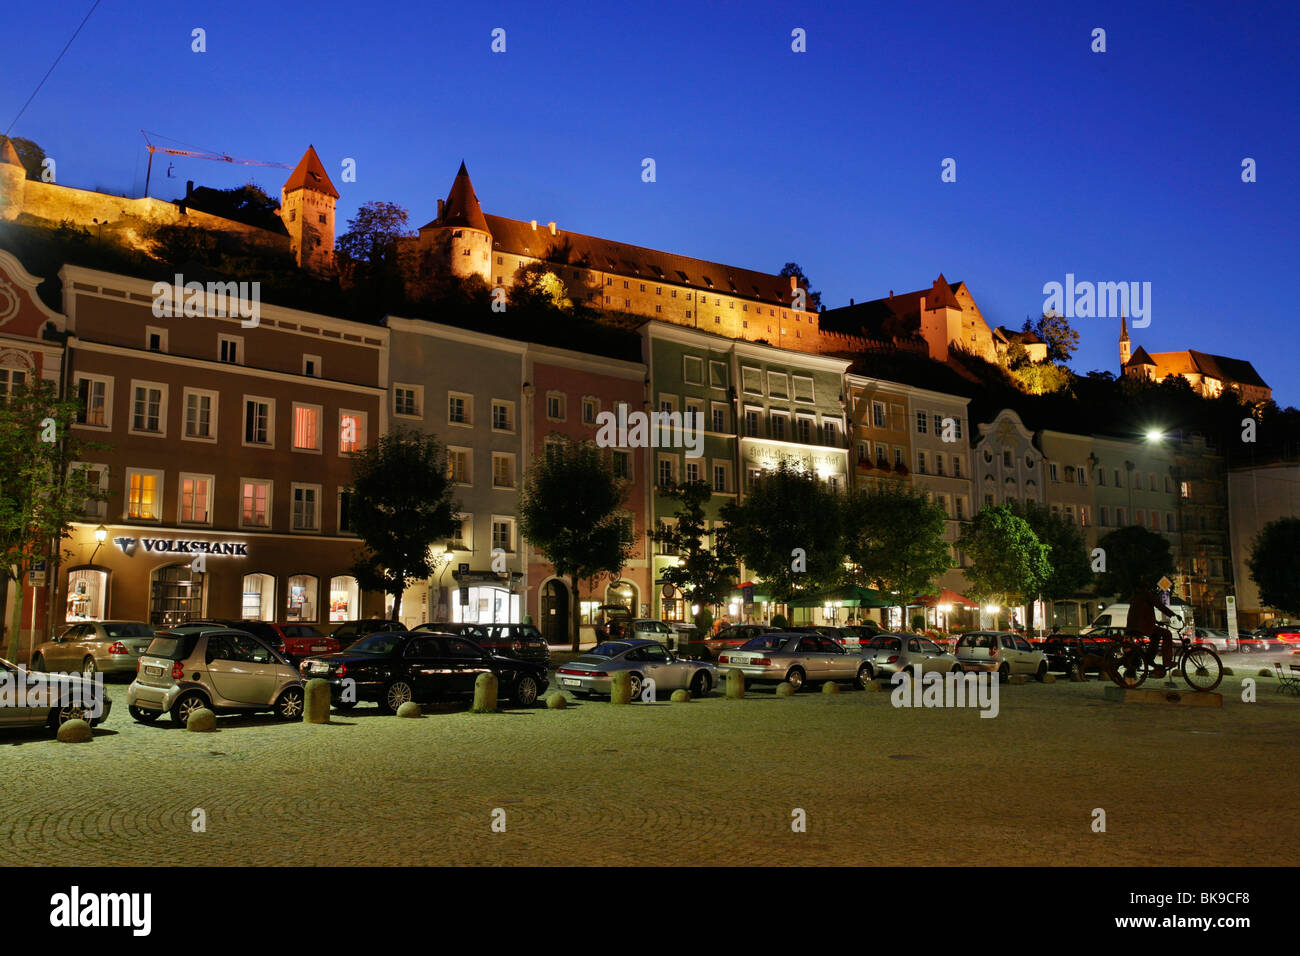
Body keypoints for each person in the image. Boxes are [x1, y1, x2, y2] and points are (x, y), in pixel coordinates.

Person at [1125, 584, 1176, 677]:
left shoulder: (1136, 597)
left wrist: (1156, 622)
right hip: (1142, 626)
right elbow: (1160, 605)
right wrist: (1173, 614)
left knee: (1155, 636)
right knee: (1167, 634)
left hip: (1132, 626)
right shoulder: (1146, 595)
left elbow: (1142, 613)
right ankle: (1167, 660)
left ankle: (1149, 659)